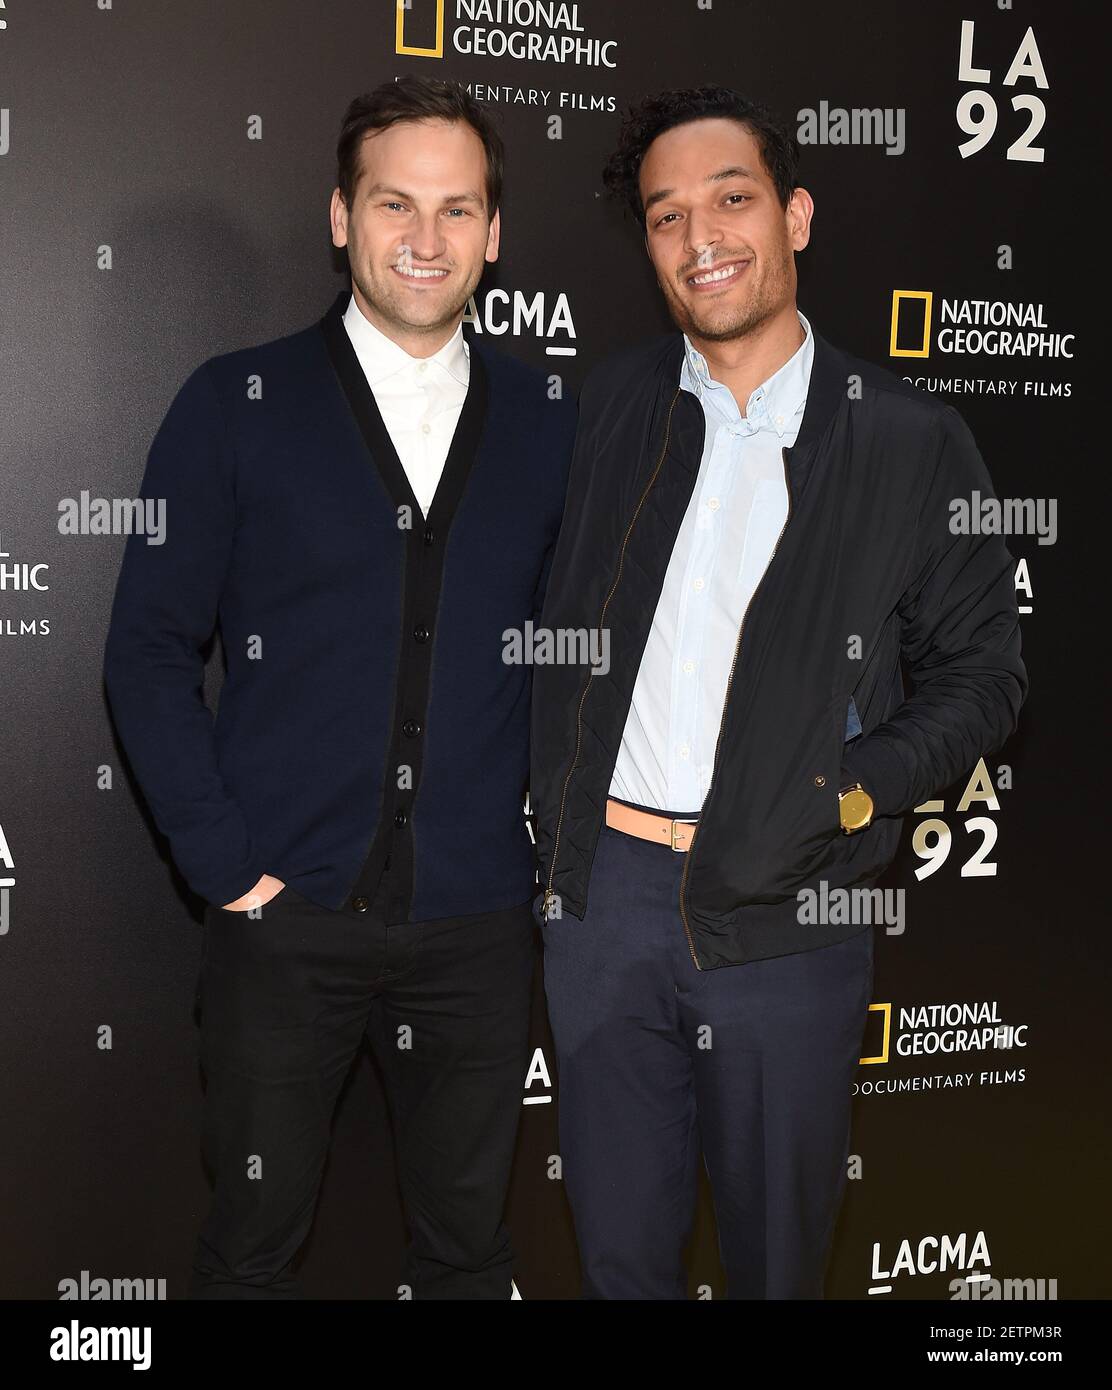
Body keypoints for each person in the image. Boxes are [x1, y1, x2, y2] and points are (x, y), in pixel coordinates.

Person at [530, 85, 1027, 1299]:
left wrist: (846, 799)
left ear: (795, 214)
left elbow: (982, 673)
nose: (700, 235)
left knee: (771, 1267)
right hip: (603, 910)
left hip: (791, 911)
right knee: (619, 1262)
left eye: (731, 198)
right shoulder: (608, 410)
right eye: (665, 215)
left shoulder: (907, 437)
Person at [103, 75, 575, 1299]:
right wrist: (227, 868)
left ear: (494, 234)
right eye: (394, 205)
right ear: (338, 217)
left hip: (476, 928)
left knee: (469, 1252)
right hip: (284, 923)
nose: (426, 240)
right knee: (251, 1253)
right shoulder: (233, 403)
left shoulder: (547, 416)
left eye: (457, 210)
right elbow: (147, 648)